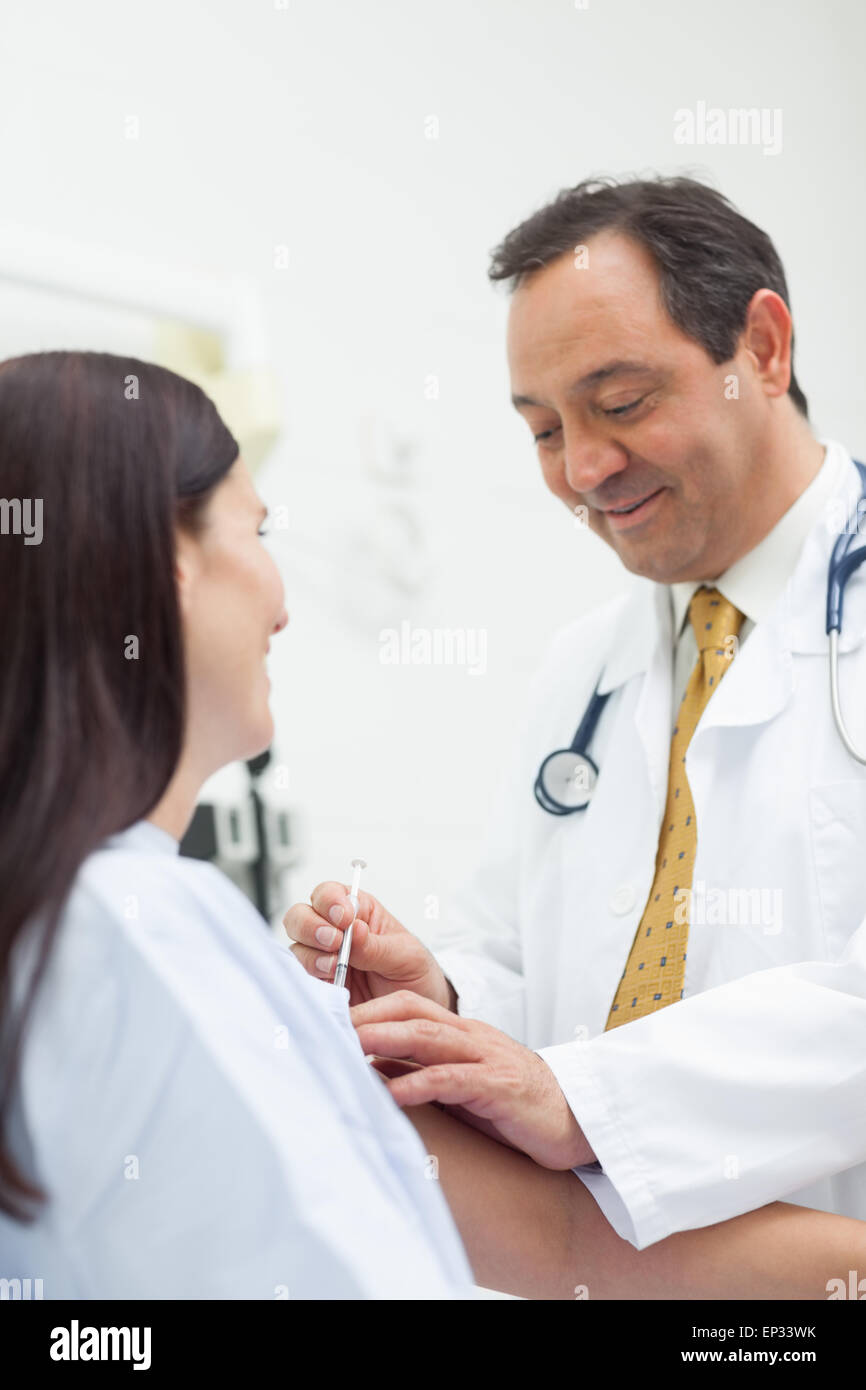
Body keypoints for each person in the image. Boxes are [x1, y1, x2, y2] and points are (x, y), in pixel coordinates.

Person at [287, 175, 866, 1252]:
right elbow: (519, 953)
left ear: (763, 350)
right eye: (543, 428)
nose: (582, 470)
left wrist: (590, 1096)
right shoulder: (583, 670)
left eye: (620, 402)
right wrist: (444, 997)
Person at [0, 350, 473, 1299]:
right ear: (168, 561)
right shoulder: (129, 919)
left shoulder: (72, 910)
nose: (284, 604)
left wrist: (340, 1034)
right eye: (259, 531)